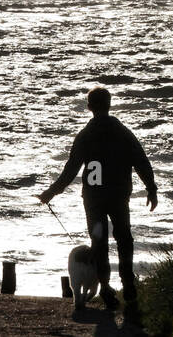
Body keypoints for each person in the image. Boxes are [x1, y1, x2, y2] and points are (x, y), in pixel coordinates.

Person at [39, 87, 156, 313]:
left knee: (99, 243)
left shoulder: (85, 135)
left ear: (89, 107)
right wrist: (151, 188)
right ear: (110, 104)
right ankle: (128, 283)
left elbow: (70, 170)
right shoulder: (123, 132)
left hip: (93, 198)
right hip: (118, 194)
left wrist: (51, 192)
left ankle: (104, 286)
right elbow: (141, 160)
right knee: (124, 238)